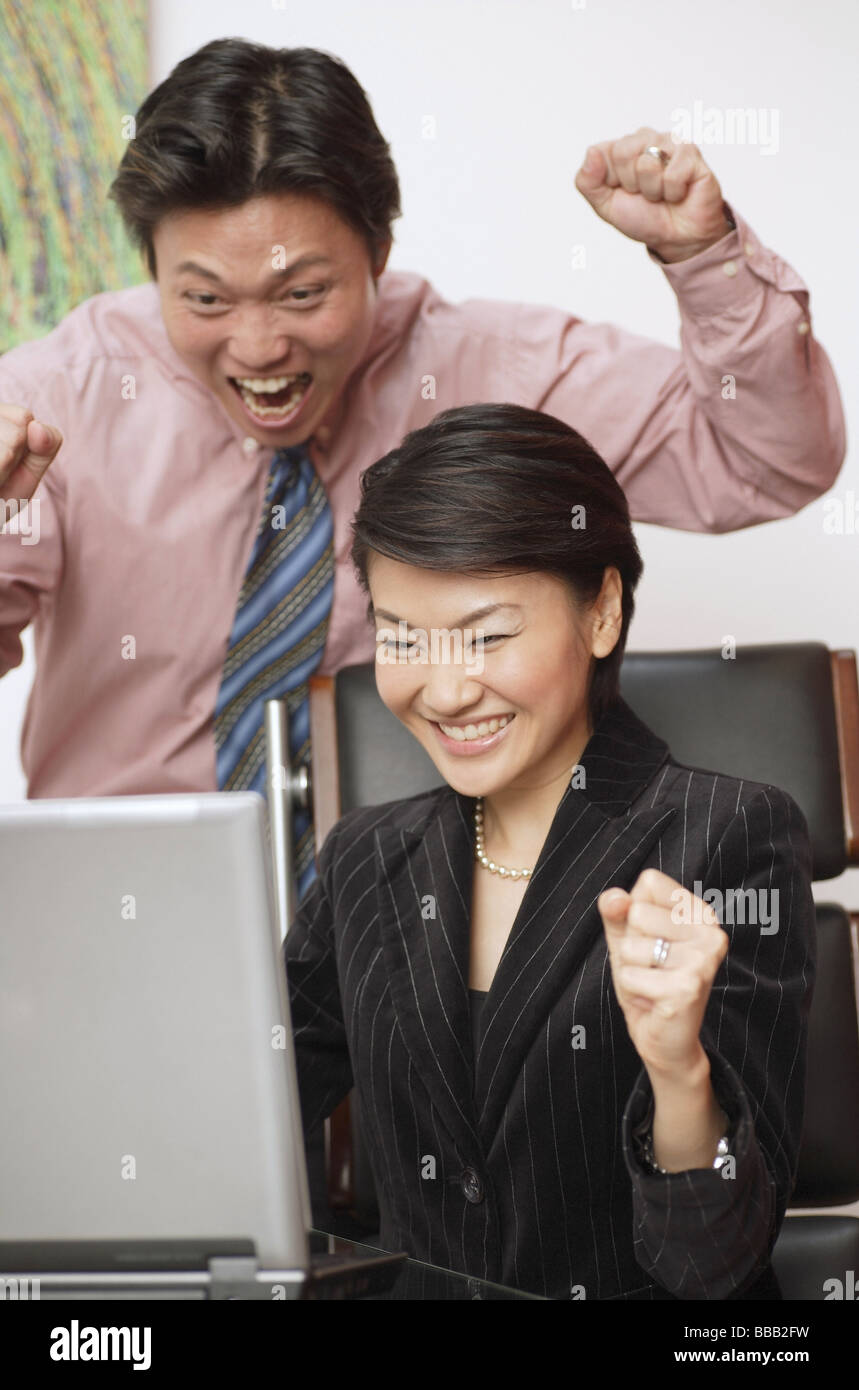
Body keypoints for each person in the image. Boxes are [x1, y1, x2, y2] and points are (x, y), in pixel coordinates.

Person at [0, 38, 844, 895]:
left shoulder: (501, 371)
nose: (258, 346)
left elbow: (767, 461)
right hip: (125, 903)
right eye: (205, 299)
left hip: (429, 925)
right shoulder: (55, 401)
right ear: (151, 269)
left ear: (379, 251)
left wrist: (706, 264)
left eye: (302, 294)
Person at [283, 402, 815, 1301]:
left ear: (600, 612)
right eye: (404, 637)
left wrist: (677, 1071)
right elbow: (242, 1117)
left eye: (487, 635)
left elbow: (713, 1264)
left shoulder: (726, 837)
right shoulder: (364, 859)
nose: (445, 690)